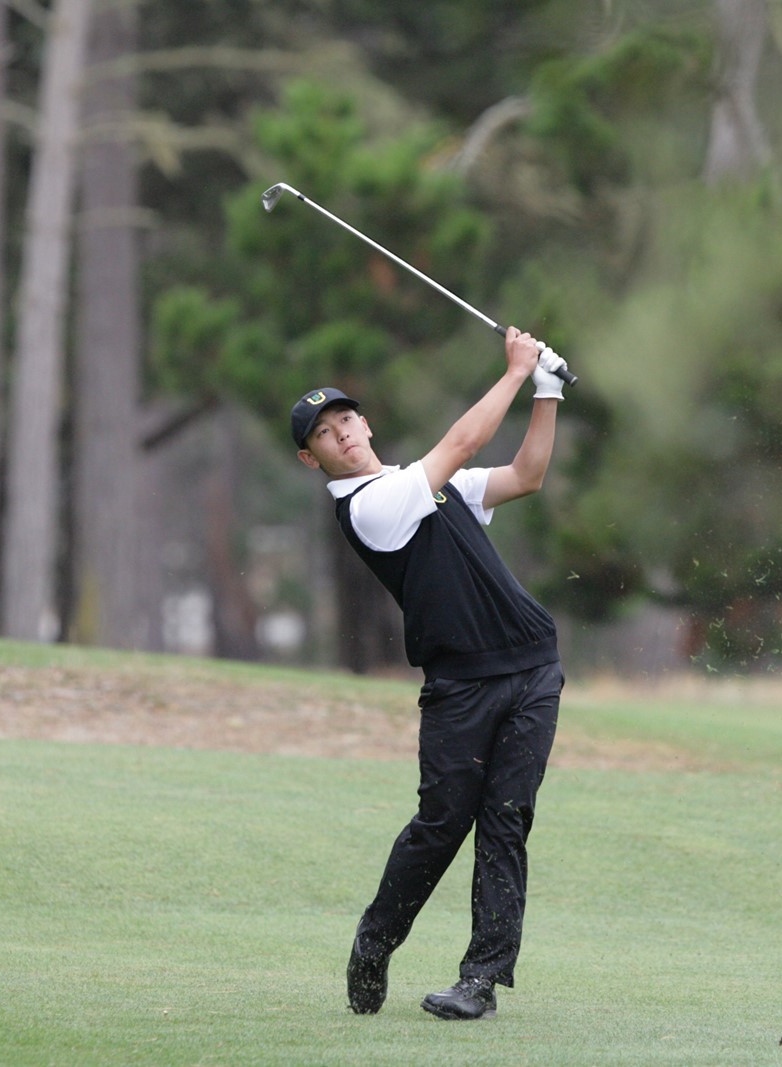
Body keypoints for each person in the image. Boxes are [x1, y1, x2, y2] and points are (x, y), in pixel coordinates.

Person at [289, 327, 569, 1021]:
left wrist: (548, 389)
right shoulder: (368, 507)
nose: (343, 434)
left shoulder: (433, 486)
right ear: (310, 457)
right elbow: (464, 444)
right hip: (461, 687)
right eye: (325, 433)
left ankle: (480, 980)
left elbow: (526, 475)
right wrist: (514, 370)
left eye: (347, 418)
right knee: (443, 823)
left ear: (366, 421)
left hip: (533, 665)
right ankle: (374, 942)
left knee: (506, 822)